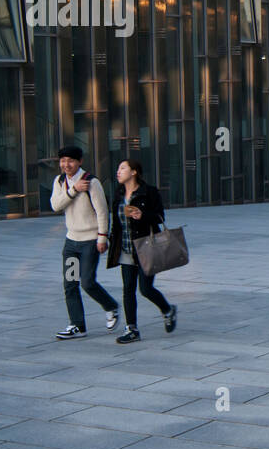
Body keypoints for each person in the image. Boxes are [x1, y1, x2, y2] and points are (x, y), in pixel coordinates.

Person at [51, 146, 119, 340]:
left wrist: (102, 237)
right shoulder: (59, 181)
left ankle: (111, 306)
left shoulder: (91, 182)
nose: (66, 164)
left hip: (90, 242)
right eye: (63, 160)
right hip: (71, 243)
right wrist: (73, 190)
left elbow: (102, 212)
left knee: (87, 282)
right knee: (70, 284)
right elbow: (56, 206)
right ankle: (77, 326)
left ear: (79, 162)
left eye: (70, 160)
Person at [107, 159, 177, 344]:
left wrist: (142, 215)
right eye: (118, 168)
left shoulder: (149, 192)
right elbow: (116, 222)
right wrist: (109, 241)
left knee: (145, 289)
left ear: (134, 172)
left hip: (147, 246)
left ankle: (167, 310)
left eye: (122, 168)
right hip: (125, 248)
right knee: (128, 289)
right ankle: (132, 329)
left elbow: (160, 216)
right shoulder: (118, 193)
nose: (118, 171)